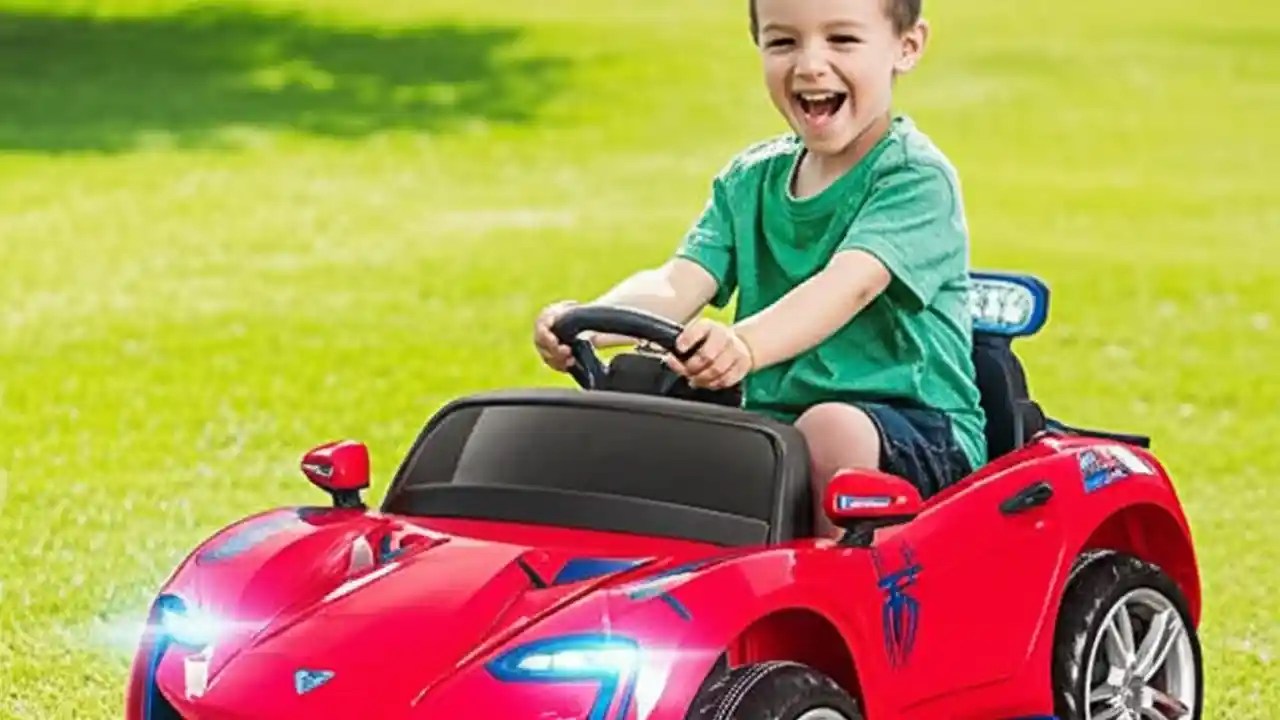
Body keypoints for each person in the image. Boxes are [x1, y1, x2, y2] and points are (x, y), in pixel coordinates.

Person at [532, 0, 986, 537]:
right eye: (783, 42)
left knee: (830, 428)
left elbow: (848, 286)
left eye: (842, 40)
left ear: (906, 48)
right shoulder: (749, 181)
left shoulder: (912, 178)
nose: (810, 65)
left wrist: (744, 346)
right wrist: (590, 321)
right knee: (643, 419)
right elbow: (678, 282)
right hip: (774, 431)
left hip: (918, 432)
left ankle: (829, 577)